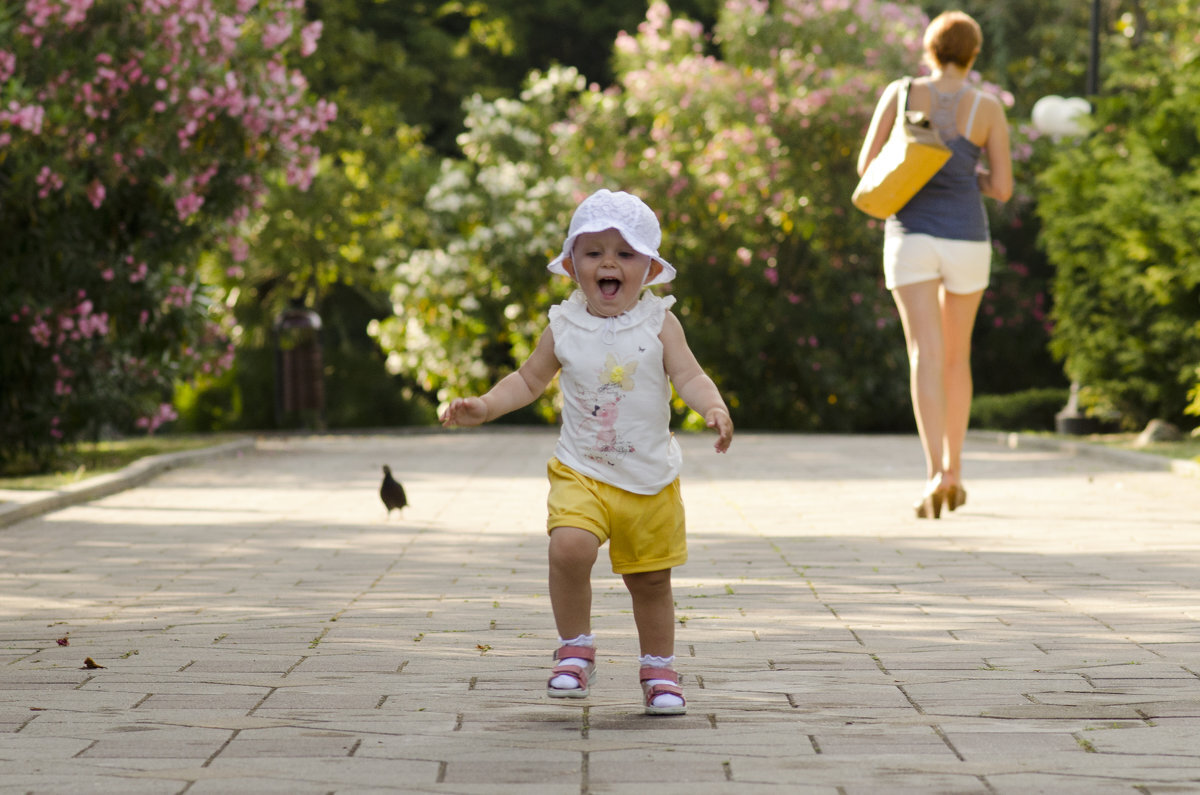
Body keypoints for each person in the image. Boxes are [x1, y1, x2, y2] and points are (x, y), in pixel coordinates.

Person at [440, 188, 734, 715]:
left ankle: (659, 666)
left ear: (649, 268)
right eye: (593, 251)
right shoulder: (564, 325)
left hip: (648, 478)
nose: (609, 263)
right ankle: (575, 649)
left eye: (625, 254)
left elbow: (688, 373)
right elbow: (528, 380)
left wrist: (712, 406)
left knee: (650, 579)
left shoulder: (660, 323)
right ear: (572, 264)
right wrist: (485, 406)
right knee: (568, 548)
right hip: (582, 469)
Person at [856, 10, 1012, 519]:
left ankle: (931, 475)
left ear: (929, 49)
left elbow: (867, 167)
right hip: (967, 240)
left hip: (912, 236)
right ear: (973, 55)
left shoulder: (902, 92)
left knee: (924, 354)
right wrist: (970, 177)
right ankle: (956, 472)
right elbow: (1003, 189)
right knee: (956, 358)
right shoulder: (987, 108)